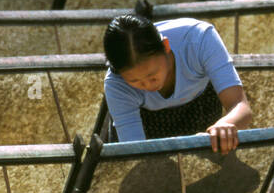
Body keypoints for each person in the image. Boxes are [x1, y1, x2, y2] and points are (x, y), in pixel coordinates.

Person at [102, 14, 252, 153]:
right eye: (134, 81)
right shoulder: (116, 84)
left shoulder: (199, 39)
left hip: (202, 113)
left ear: (166, 46)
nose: (148, 86)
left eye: (152, 75)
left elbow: (239, 105)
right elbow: (134, 152)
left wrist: (225, 125)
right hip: (149, 131)